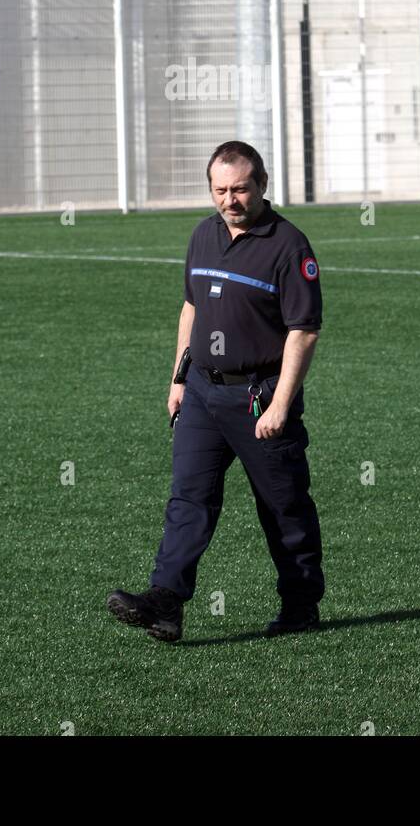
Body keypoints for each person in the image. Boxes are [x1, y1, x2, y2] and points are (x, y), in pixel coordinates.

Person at [107, 140, 324, 642]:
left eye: (241, 189)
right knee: (189, 498)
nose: (230, 199)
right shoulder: (203, 236)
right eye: (220, 190)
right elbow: (191, 309)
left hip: (258, 399)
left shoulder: (288, 245)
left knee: (283, 507)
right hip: (204, 392)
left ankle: (300, 605)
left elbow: (303, 331)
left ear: (262, 186)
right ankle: (165, 603)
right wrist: (179, 377)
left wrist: (280, 404)